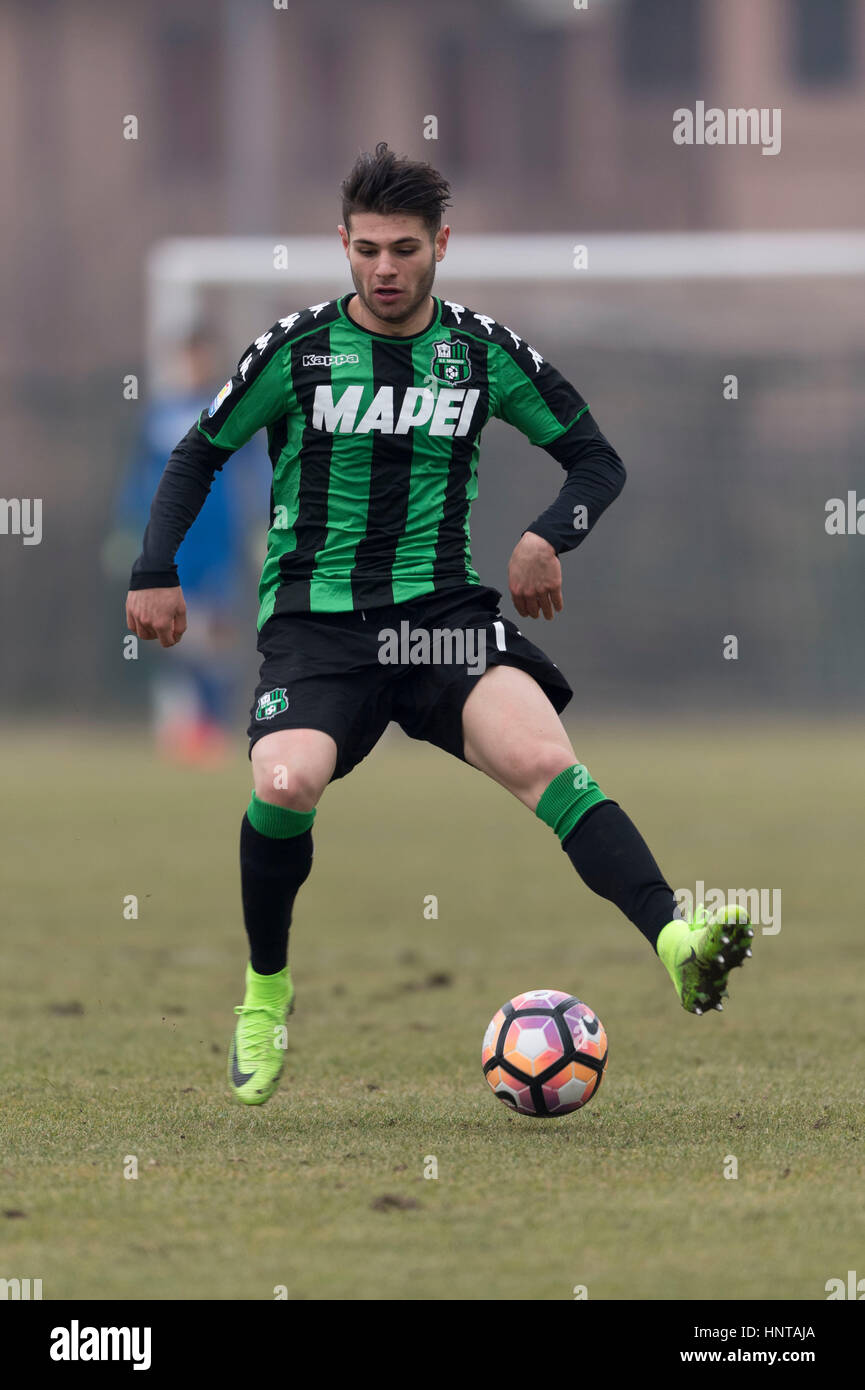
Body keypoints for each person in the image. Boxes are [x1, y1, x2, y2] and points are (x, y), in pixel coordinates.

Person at [125, 142, 754, 1106]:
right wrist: (155, 568)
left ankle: (676, 942)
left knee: (547, 763)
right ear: (342, 244)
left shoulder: (480, 353)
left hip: (439, 622)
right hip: (319, 628)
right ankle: (265, 991)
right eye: (368, 248)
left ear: (441, 245)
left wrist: (551, 537)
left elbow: (596, 462)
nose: (385, 268)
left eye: (405, 249)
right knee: (285, 780)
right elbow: (195, 454)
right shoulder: (294, 351)